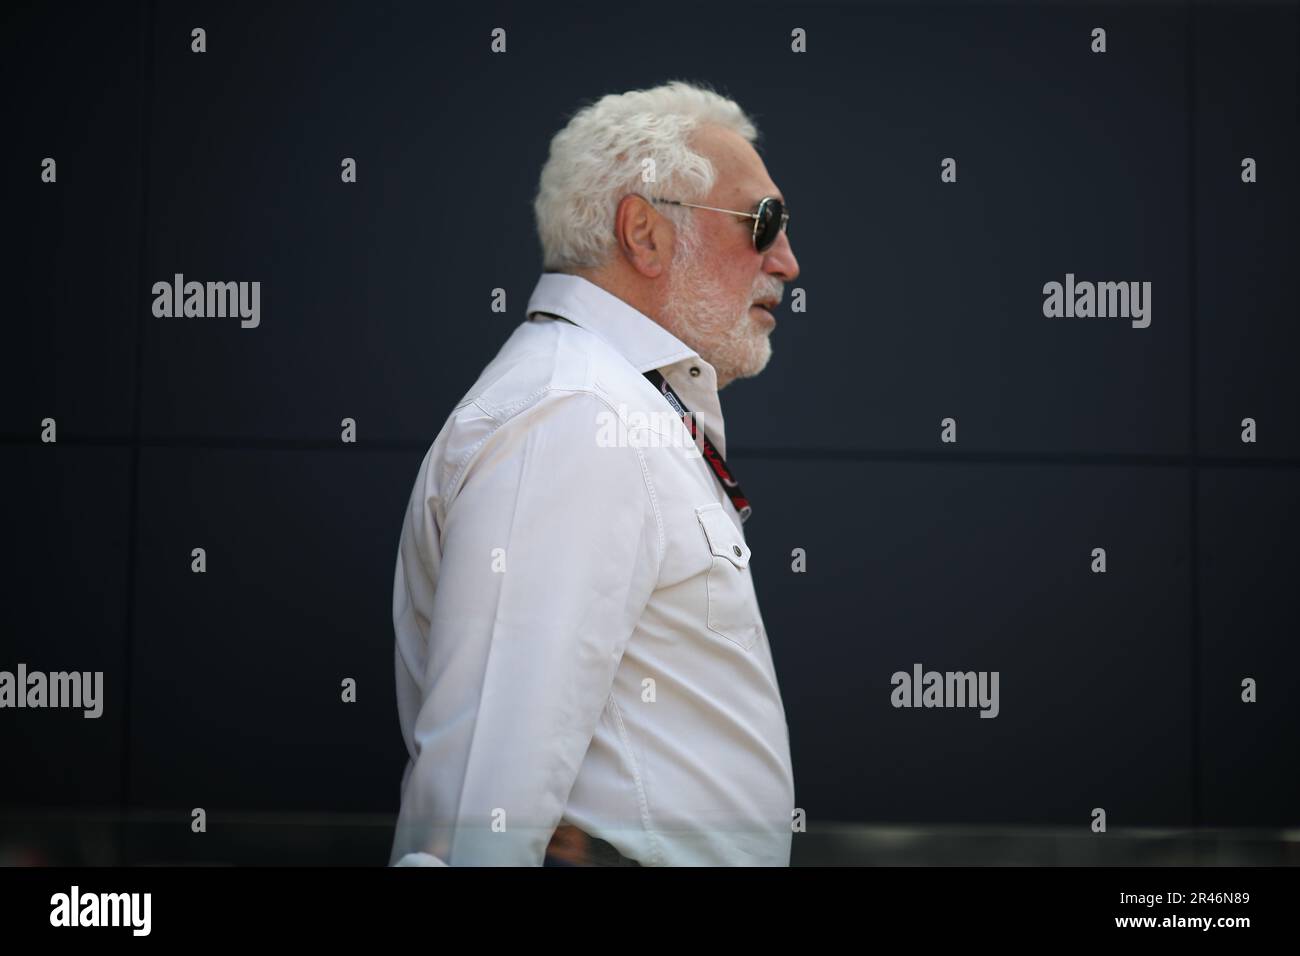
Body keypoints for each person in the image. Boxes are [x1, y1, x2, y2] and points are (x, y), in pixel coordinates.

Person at [389, 80, 801, 867]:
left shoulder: (606, 401)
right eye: (762, 222)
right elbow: (480, 811)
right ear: (643, 233)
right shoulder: (577, 414)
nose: (786, 259)